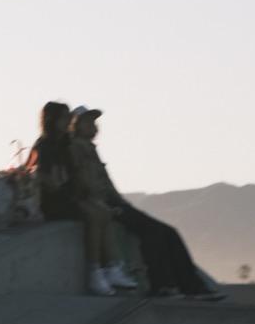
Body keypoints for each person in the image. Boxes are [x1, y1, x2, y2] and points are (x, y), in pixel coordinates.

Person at [67, 107, 219, 300]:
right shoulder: (77, 149)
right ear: (76, 126)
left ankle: (191, 286)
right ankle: (163, 286)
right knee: (153, 233)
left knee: (169, 232)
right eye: (88, 123)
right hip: (105, 206)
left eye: (94, 123)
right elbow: (85, 184)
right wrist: (109, 206)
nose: (95, 127)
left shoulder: (89, 149)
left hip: (116, 204)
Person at [25, 101, 131, 295]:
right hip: (51, 203)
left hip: (68, 197)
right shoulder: (44, 145)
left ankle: (112, 267)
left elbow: (73, 175)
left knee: (103, 212)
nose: (68, 121)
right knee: (93, 215)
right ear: (53, 120)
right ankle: (95, 271)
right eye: (64, 117)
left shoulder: (65, 142)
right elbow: (39, 176)